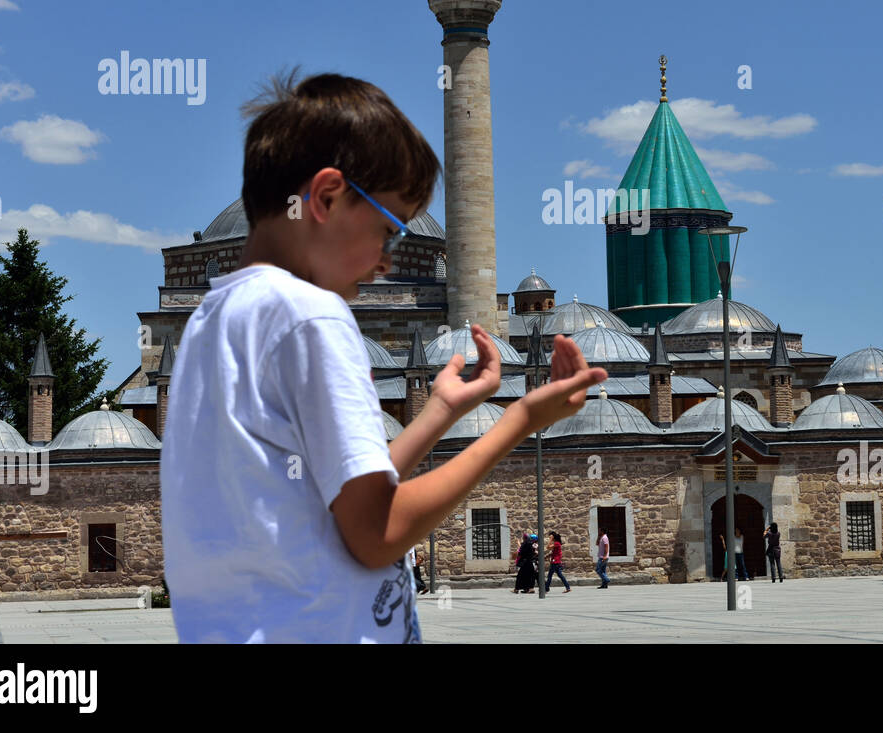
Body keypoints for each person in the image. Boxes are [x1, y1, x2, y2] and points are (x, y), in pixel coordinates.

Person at [160, 71, 608, 642]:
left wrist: (438, 414)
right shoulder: (312, 317)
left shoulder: (211, 320)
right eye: (389, 231)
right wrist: (520, 421)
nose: (387, 262)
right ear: (325, 198)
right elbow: (376, 531)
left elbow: (332, 493)